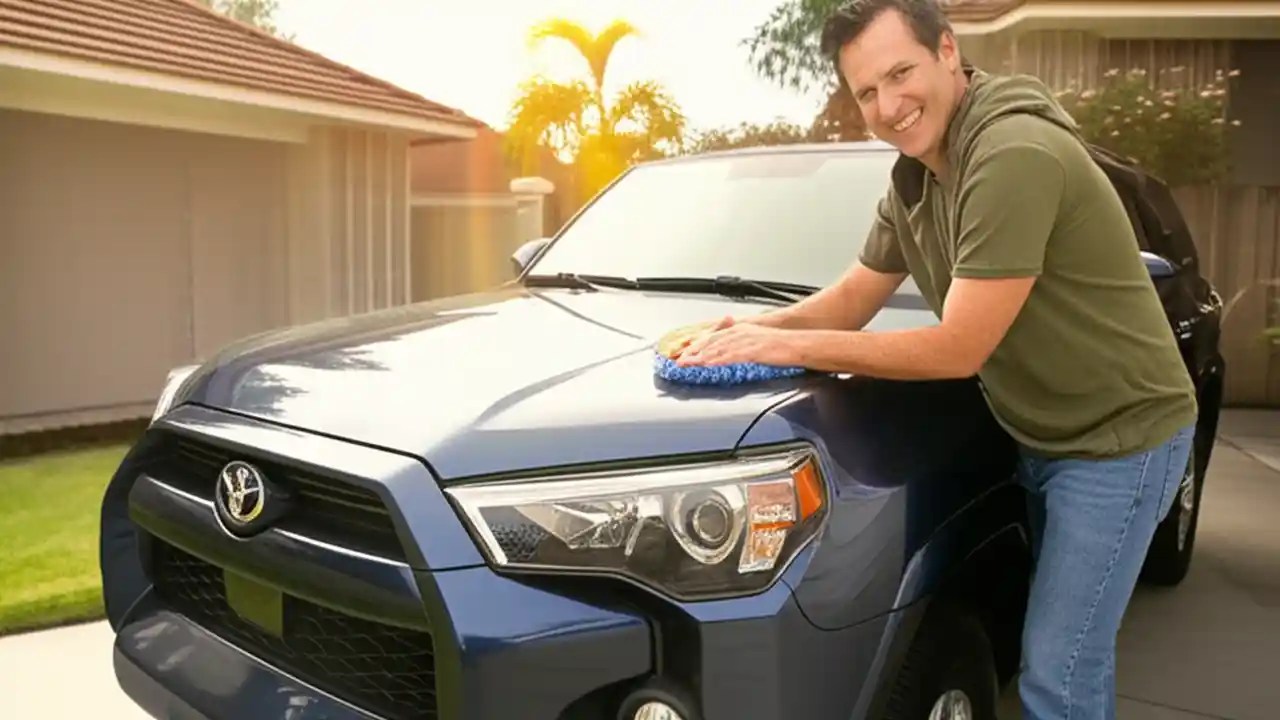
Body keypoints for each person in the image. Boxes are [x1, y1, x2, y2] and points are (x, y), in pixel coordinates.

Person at [673, 0, 1198, 717]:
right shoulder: (916, 176)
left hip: (1120, 442)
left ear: (947, 52)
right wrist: (743, 330)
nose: (888, 105)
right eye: (866, 91)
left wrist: (787, 345)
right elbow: (854, 297)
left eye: (900, 72)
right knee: (1072, 652)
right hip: (1046, 435)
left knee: (1057, 671)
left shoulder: (1013, 154)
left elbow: (959, 346)